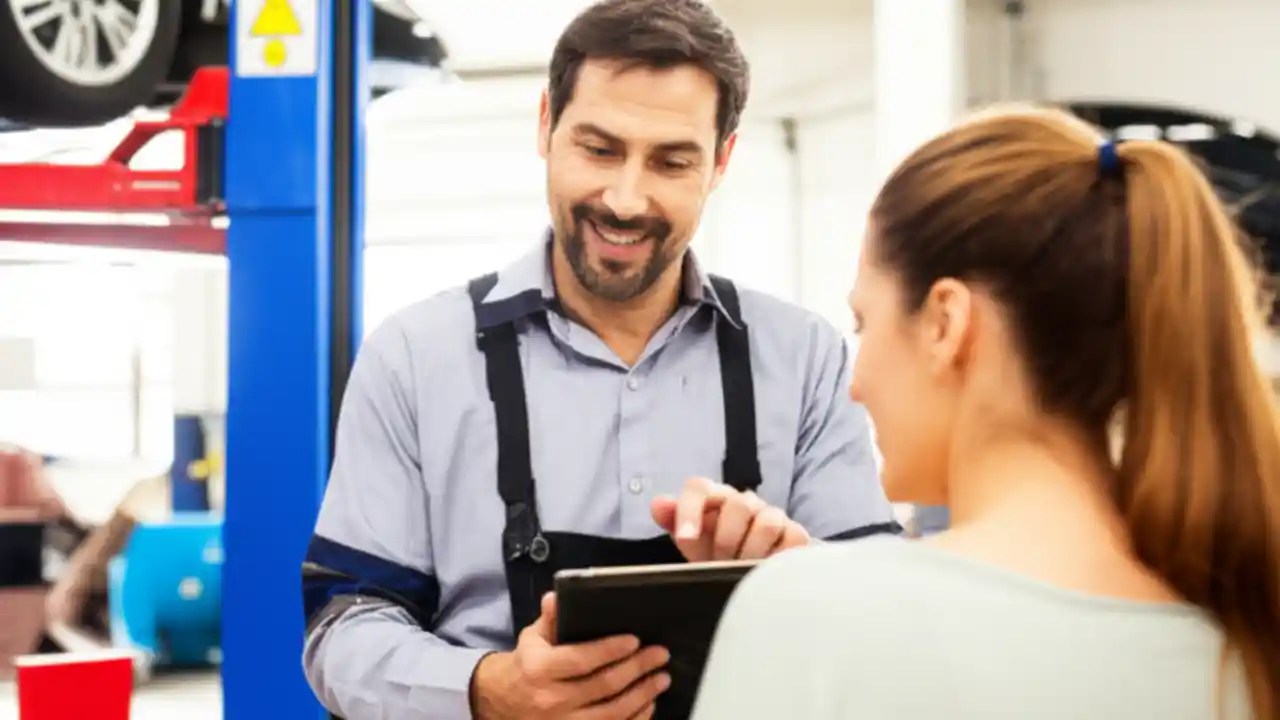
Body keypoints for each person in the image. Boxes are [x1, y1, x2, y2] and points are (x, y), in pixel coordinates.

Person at [300, 1, 898, 718]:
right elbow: (343, 629)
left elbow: (881, 622)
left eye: (672, 161)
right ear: (546, 125)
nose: (625, 199)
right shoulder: (412, 359)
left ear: (721, 162)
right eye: (600, 149)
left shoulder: (804, 361)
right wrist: (489, 690)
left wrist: (802, 578)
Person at [690, 105, 1279, 720]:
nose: (855, 386)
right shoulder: (1243, 652)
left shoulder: (806, 617)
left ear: (945, 323)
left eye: (864, 323)